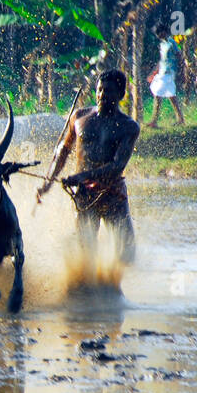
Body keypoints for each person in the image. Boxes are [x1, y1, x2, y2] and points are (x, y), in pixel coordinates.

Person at [52, 69, 140, 264]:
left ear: (120, 95)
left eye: (108, 91)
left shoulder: (129, 127)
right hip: (84, 194)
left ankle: (118, 286)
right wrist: (49, 181)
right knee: (86, 249)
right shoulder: (80, 117)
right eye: (99, 90)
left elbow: (117, 166)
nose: (102, 96)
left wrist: (81, 176)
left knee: (127, 252)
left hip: (113, 193)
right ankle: (87, 286)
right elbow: (63, 150)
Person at [147, 23, 184, 128]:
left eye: (159, 33)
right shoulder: (162, 44)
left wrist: (181, 71)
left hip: (169, 72)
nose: (158, 35)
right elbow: (162, 60)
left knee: (158, 94)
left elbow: (179, 56)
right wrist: (154, 72)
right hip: (162, 72)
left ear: (164, 31)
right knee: (172, 97)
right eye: (157, 34)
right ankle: (180, 119)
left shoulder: (172, 42)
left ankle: (154, 121)